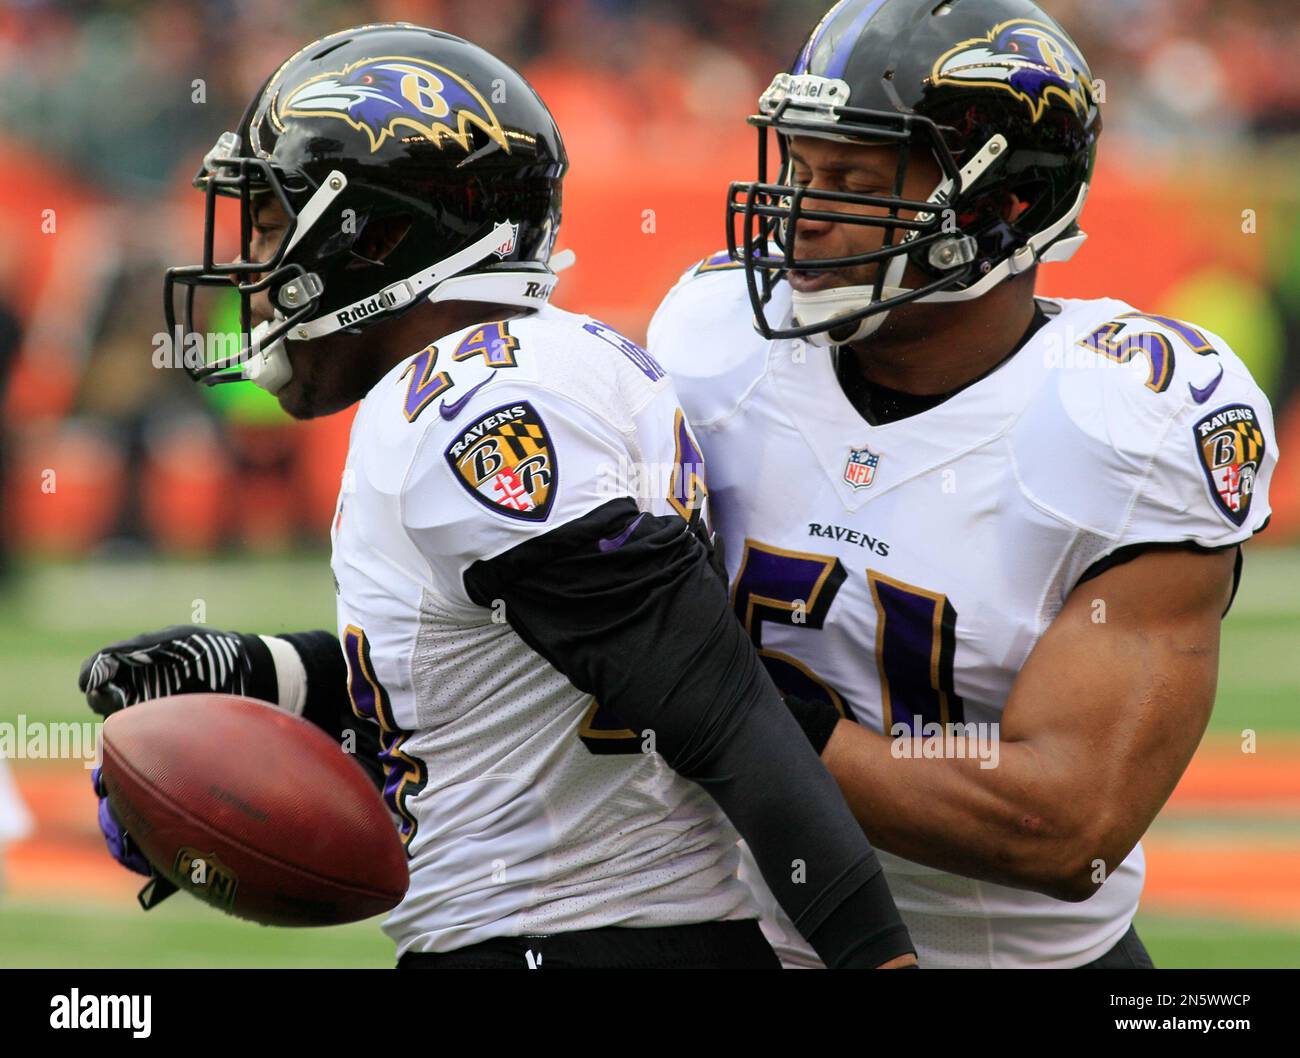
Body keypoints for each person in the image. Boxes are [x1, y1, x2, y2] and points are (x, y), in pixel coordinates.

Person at [78, 22, 915, 970]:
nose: (255, 276)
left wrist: (879, 960)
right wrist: (265, 672)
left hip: (569, 941)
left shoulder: (465, 412)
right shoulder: (548, 364)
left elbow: (719, 713)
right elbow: (513, 674)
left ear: (381, 236)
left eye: (270, 225)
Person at [647, 0, 1277, 968]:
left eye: (852, 178)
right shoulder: (713, 341)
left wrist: (738, 711)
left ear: (1003, 203)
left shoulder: (1121, 414)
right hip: (745, 939)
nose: (801, 211)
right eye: (799, 167)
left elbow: (1065, 823)